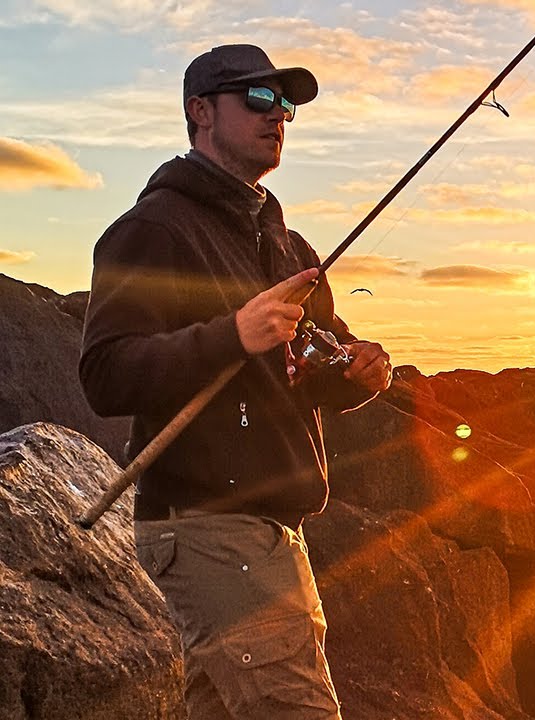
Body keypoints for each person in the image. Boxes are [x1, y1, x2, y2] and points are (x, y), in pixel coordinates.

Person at [79, 44, 391, 719]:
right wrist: (232, 334)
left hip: (274, 532)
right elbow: (105, 374)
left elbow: (308, 370)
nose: (276, 114)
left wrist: (356, 372)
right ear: (200, 112)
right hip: (207, 531)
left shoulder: (290, 247)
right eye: (256, 98)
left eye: (284, 103)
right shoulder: (152, 230)